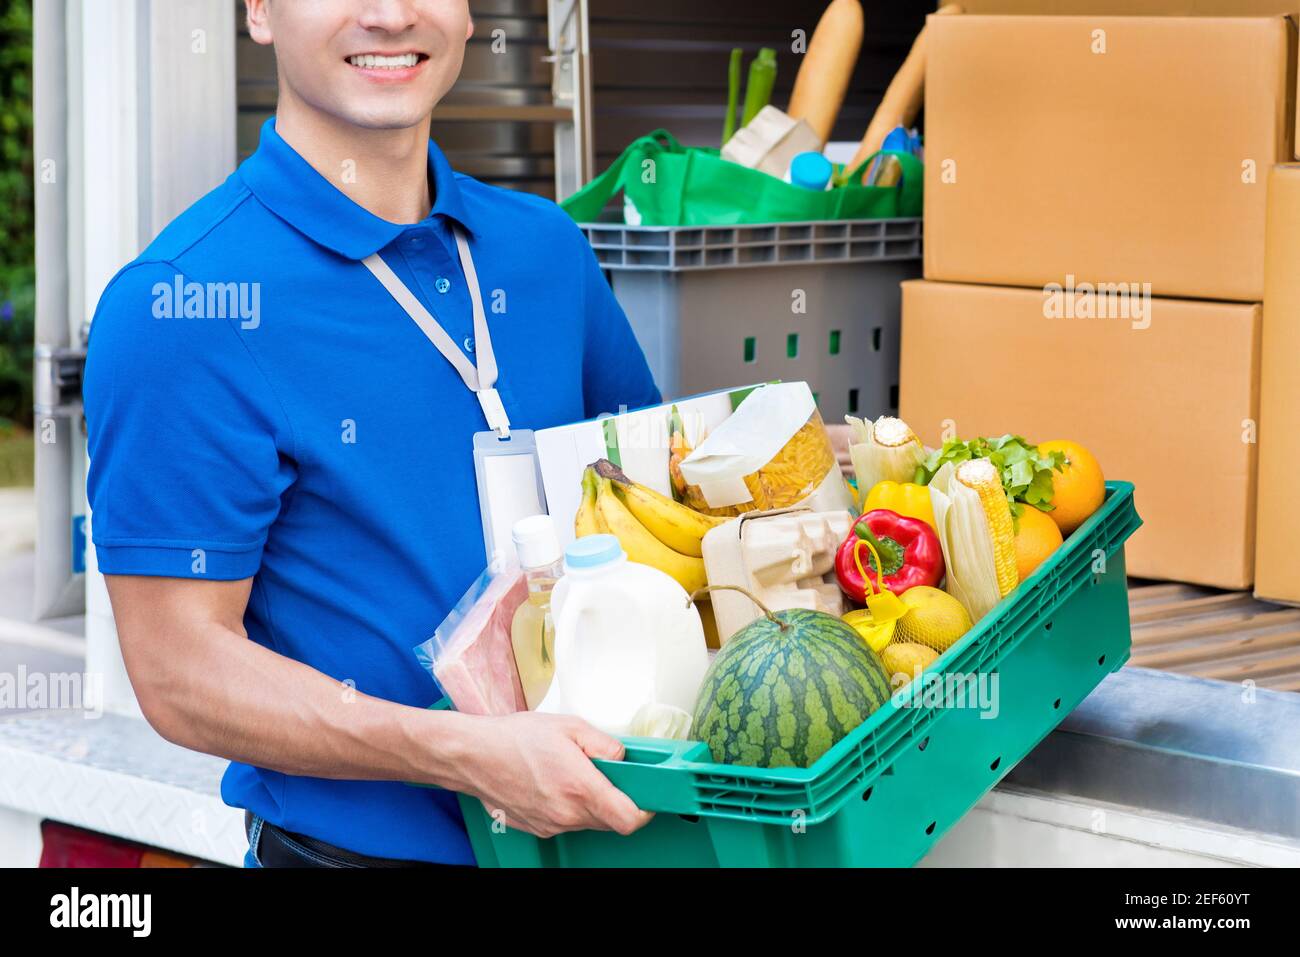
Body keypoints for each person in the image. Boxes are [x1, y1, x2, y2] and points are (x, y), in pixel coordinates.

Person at [83, 0, 659, 867]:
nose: (390, 15)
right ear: (259, 12)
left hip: (612, 839)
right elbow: (180, 674)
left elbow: (653, 496)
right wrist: (466, 756)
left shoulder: (546, 250)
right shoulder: (181, 304)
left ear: (469, 17)